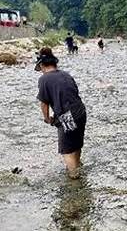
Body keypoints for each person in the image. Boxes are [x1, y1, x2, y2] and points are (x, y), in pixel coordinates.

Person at [35, 47, 87, 179]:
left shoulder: (44, 79)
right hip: (81, 111)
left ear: (41, 65)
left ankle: (75, 180)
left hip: (67, 116)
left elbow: (44, 103)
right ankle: (77, 166)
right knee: (76, 144)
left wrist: (47, 119)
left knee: (67, 151)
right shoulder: (66, 74)